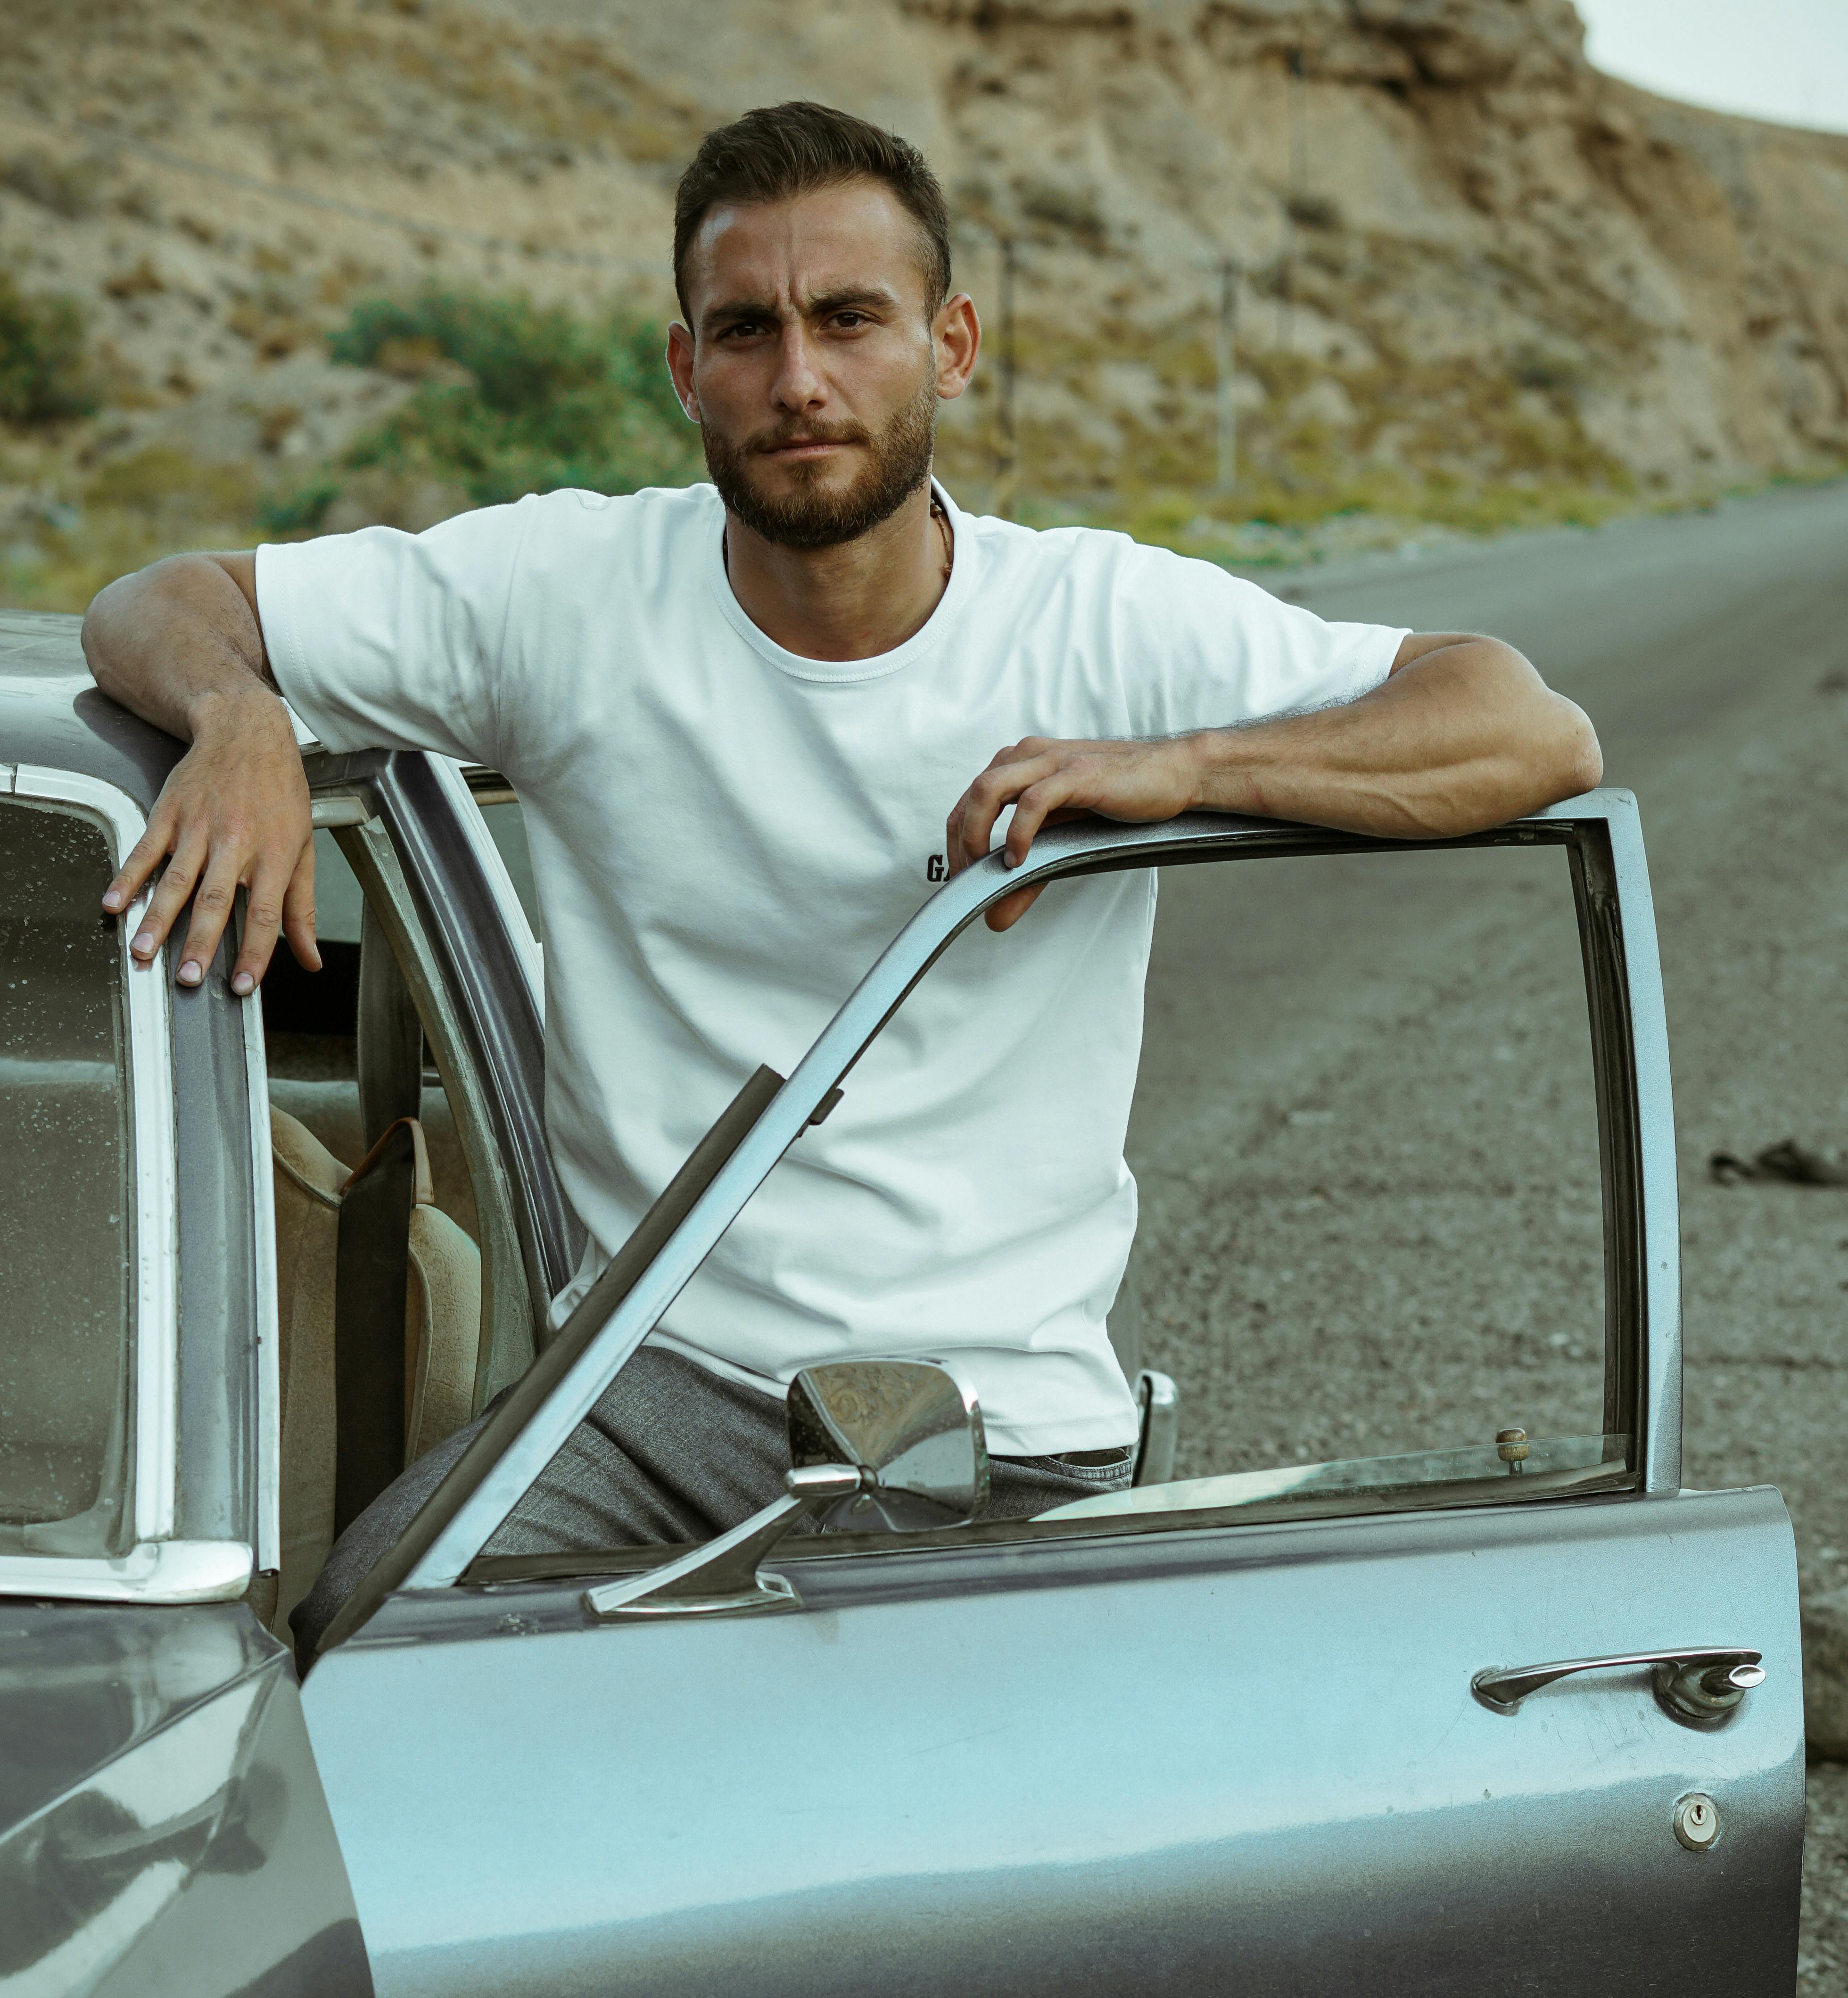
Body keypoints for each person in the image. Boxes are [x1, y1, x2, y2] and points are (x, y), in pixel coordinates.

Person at [81, 101, 1601, 1600]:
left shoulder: (1106, 625)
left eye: (850, 319)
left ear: (950, 347)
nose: (798, 378)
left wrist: (1182, 767)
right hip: (649, 1388)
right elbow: (154, 597)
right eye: (746, 330)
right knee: (365, 1652)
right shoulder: (568, 593)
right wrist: (241, 717)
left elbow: (1526, 729)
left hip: (1005, 1429)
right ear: (686, 370)